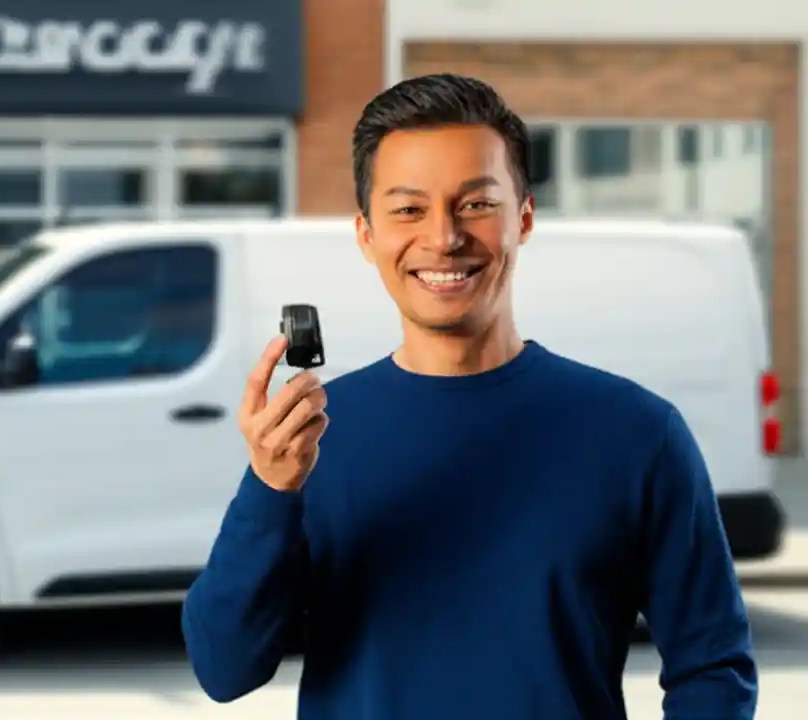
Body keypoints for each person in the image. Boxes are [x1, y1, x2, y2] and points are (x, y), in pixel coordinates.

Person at [180, 73, 757, 719]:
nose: (444, 236)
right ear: (367, 236)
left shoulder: (636, 433)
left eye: (476, 204)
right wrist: (269, 489)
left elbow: (712, 667)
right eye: (408, 209)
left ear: (525, 218)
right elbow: (224, 669)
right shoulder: (309, 440)